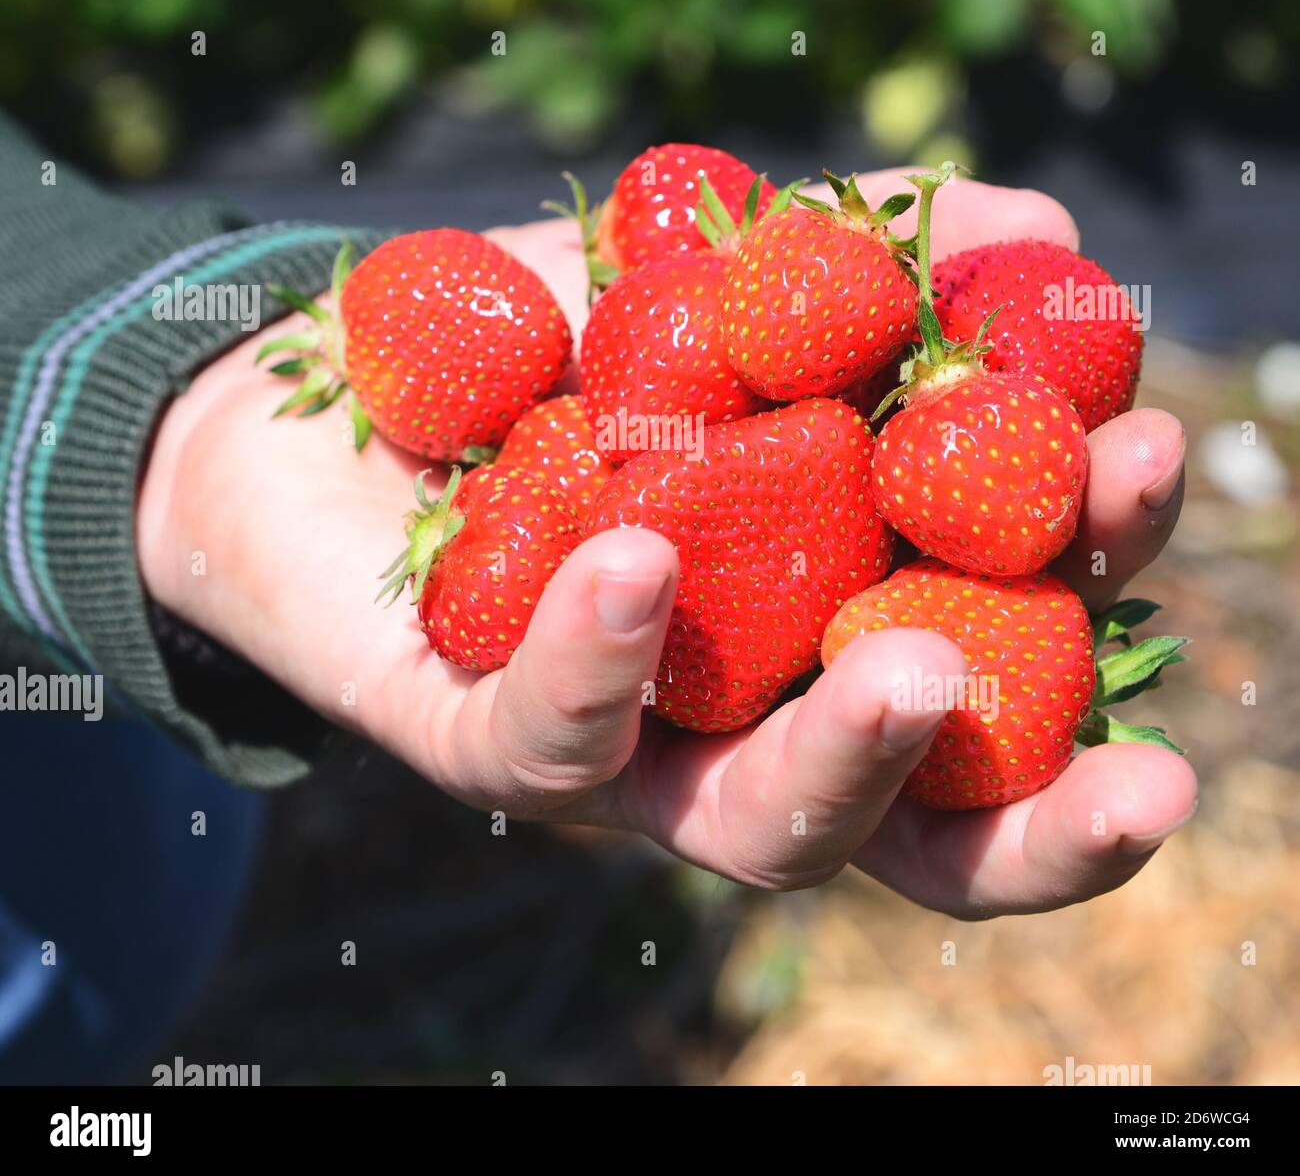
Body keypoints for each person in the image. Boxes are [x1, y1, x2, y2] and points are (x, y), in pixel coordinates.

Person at [0, 114, 1196, 1081]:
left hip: (104, 875)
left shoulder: (774, 402)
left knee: (103, 984)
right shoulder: (729, 404)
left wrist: (158, 408)